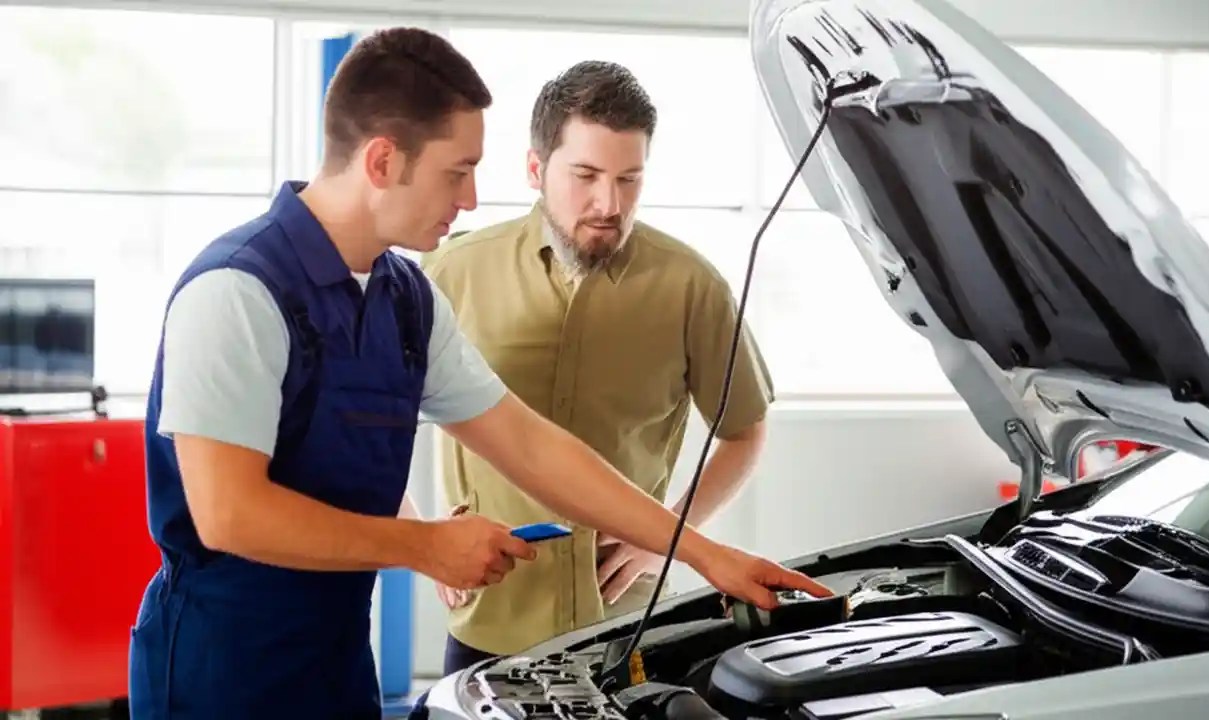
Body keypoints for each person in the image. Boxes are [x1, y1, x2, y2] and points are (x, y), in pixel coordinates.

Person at [126, 27, 828, 720]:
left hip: (335, 657)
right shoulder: (236, 292)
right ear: (381, 161)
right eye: (455, 171)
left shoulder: (405, 299)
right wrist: (426, 545)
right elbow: (229, 514)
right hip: (219, 669)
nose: (469, 199)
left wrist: (703, 553)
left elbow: (528, 445)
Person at [423, 60, 776, 674]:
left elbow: (746, 432)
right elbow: (369, 418)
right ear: (536, 169)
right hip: (491, 616)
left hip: (631, 624)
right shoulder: (452, 272)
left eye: (629, 179)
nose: (608, 203)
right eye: (585, 175)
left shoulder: (692, 287)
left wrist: (659, 537)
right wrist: (419, 536)